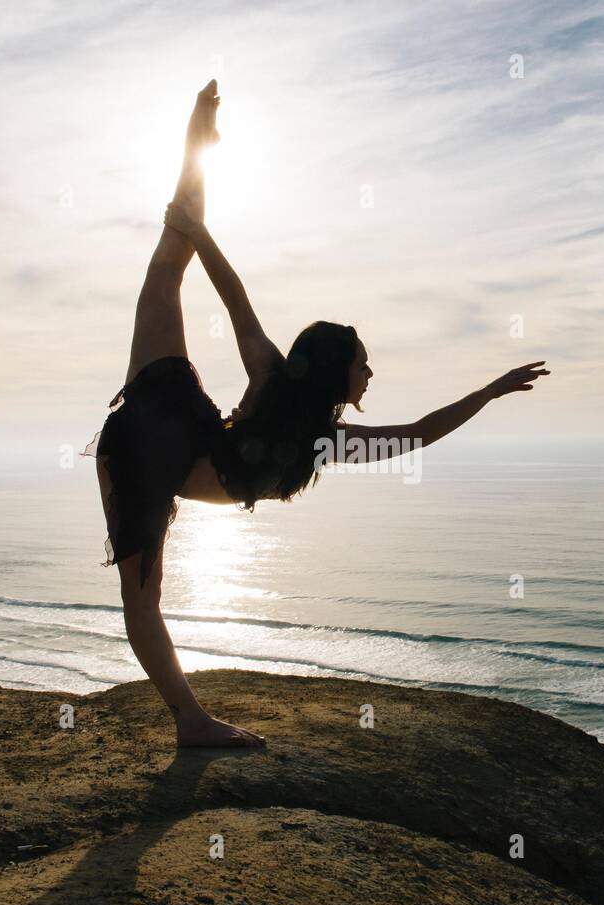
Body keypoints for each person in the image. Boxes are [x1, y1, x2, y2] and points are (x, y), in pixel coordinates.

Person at [84, 80, 549, 748]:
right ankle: (191, 724)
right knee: (140, 600)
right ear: (336, 372)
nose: (369, 371)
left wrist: (489, 392)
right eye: (362, 363)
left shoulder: (286, 390)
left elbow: (236, 295)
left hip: (162, 424)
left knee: (169, 265)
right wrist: (488, 393)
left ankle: (196, 150)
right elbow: (415, 435)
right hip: (158, 441)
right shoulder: (321, 436)